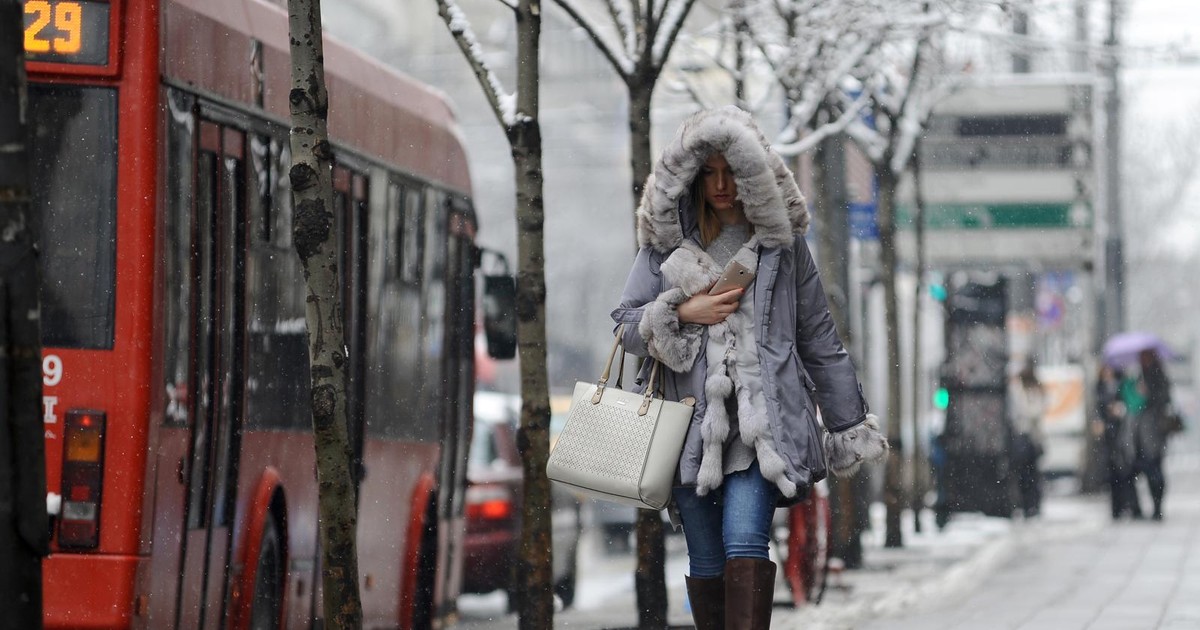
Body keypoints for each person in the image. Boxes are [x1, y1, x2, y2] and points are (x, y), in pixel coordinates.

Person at [611, 107, 887, 629]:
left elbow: (819, 339)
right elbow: (626, 327)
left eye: (731, 171)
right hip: (689, 432)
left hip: (765, 430)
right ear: (692, 177)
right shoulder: (666, 246)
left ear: (751, 173)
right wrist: (681, 312)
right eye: (709, 172)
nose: (721, 185)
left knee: (744, 541)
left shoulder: (783, 248)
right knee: (707, 561)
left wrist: (848, 425)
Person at [1094, 364, 1139, 519]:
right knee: (1113, 474)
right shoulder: (1099, 389)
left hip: (1122, 435)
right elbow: (1098, 410)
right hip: (1108, 438)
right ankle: (1117, 508)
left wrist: (1119, 409)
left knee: (1126, 473)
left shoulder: (1122, 386)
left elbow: (1129, 406)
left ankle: (1130, 506)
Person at [1133, 349, 1173, 520]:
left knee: (1156, 468)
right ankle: (1156, 505)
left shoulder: (1159, 375)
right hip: (1145, 431)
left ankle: (1158, 505)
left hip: (1157, 429)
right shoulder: (1140, 376)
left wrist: (1147, 392)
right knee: (1150, 469)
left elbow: (1164, 399)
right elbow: (1136, 402)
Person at [1008, 362, 1046, 518]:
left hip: (1032, 439)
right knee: (1024, 474)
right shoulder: (1018, 392)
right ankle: (1027, 505)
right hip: (1022, 437)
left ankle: (1033, 505)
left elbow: (1035, 411)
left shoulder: (1035, 392)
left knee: (1032, 474)